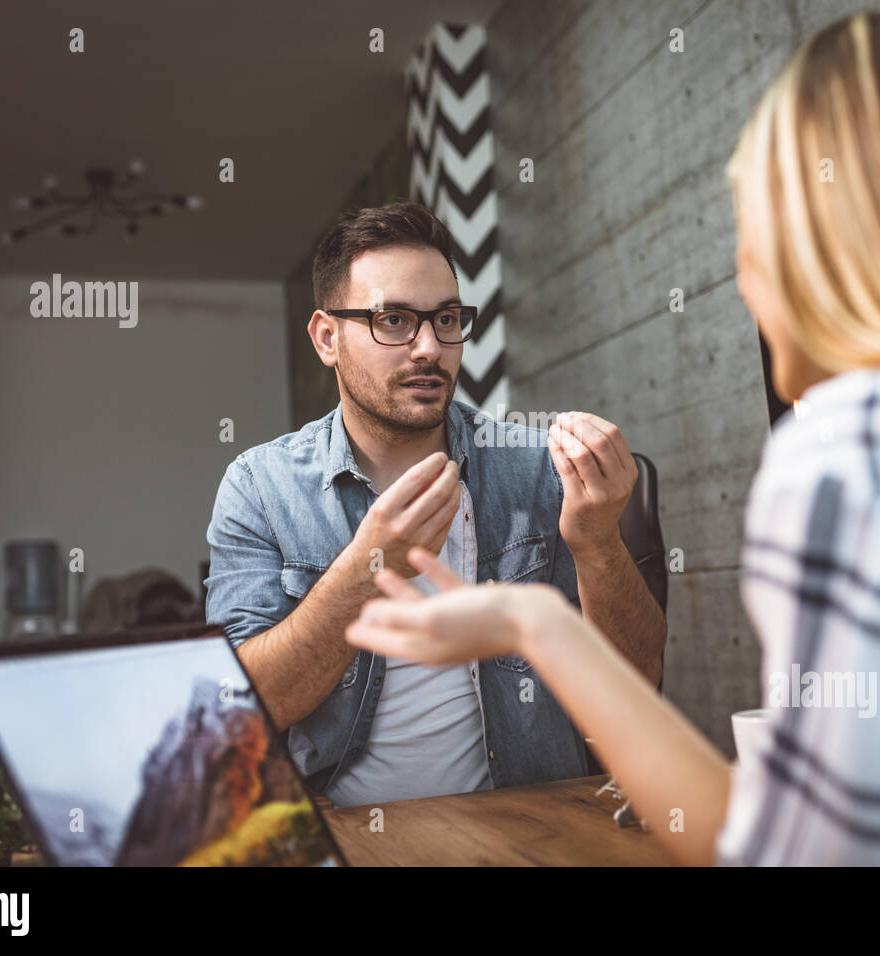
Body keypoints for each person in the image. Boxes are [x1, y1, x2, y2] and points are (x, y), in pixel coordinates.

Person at [343, 12, 880, 864]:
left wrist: (537, 620)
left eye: (749, 223)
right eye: (395, 321)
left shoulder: (860, 452)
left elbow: (782, 853)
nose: (743, 270)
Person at [204, 201, 666, 807]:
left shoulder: (539, 469)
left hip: (532, 825)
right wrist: (371, 564)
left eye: (446, 318)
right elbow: (243, 709)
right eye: (393, 320)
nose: (429, 347)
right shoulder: (259, 487)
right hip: (349, 836)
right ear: (326, 338)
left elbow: (637, 687)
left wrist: (598, 542)